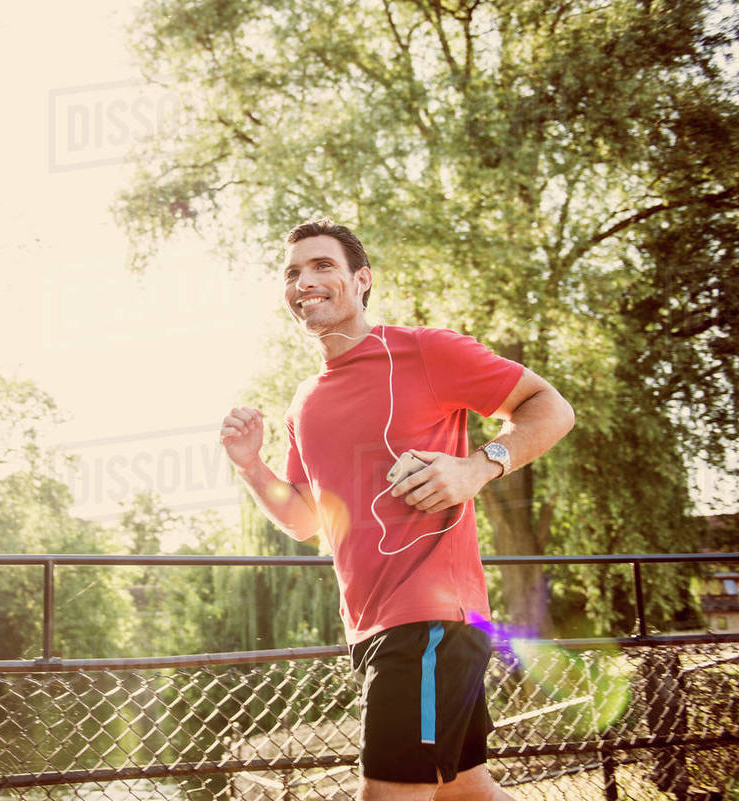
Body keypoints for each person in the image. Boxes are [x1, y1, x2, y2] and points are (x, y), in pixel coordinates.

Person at [219, 219, 575, 801]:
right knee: (466, 790)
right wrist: (251, 466)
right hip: (374, 627)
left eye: (321, 265)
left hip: (429, 624)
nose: (304, 280)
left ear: (361, 281)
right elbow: (307, 521)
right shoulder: (305, 401)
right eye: (292, 273)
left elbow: (551, 408)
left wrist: (477, 467)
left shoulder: (425, 351)